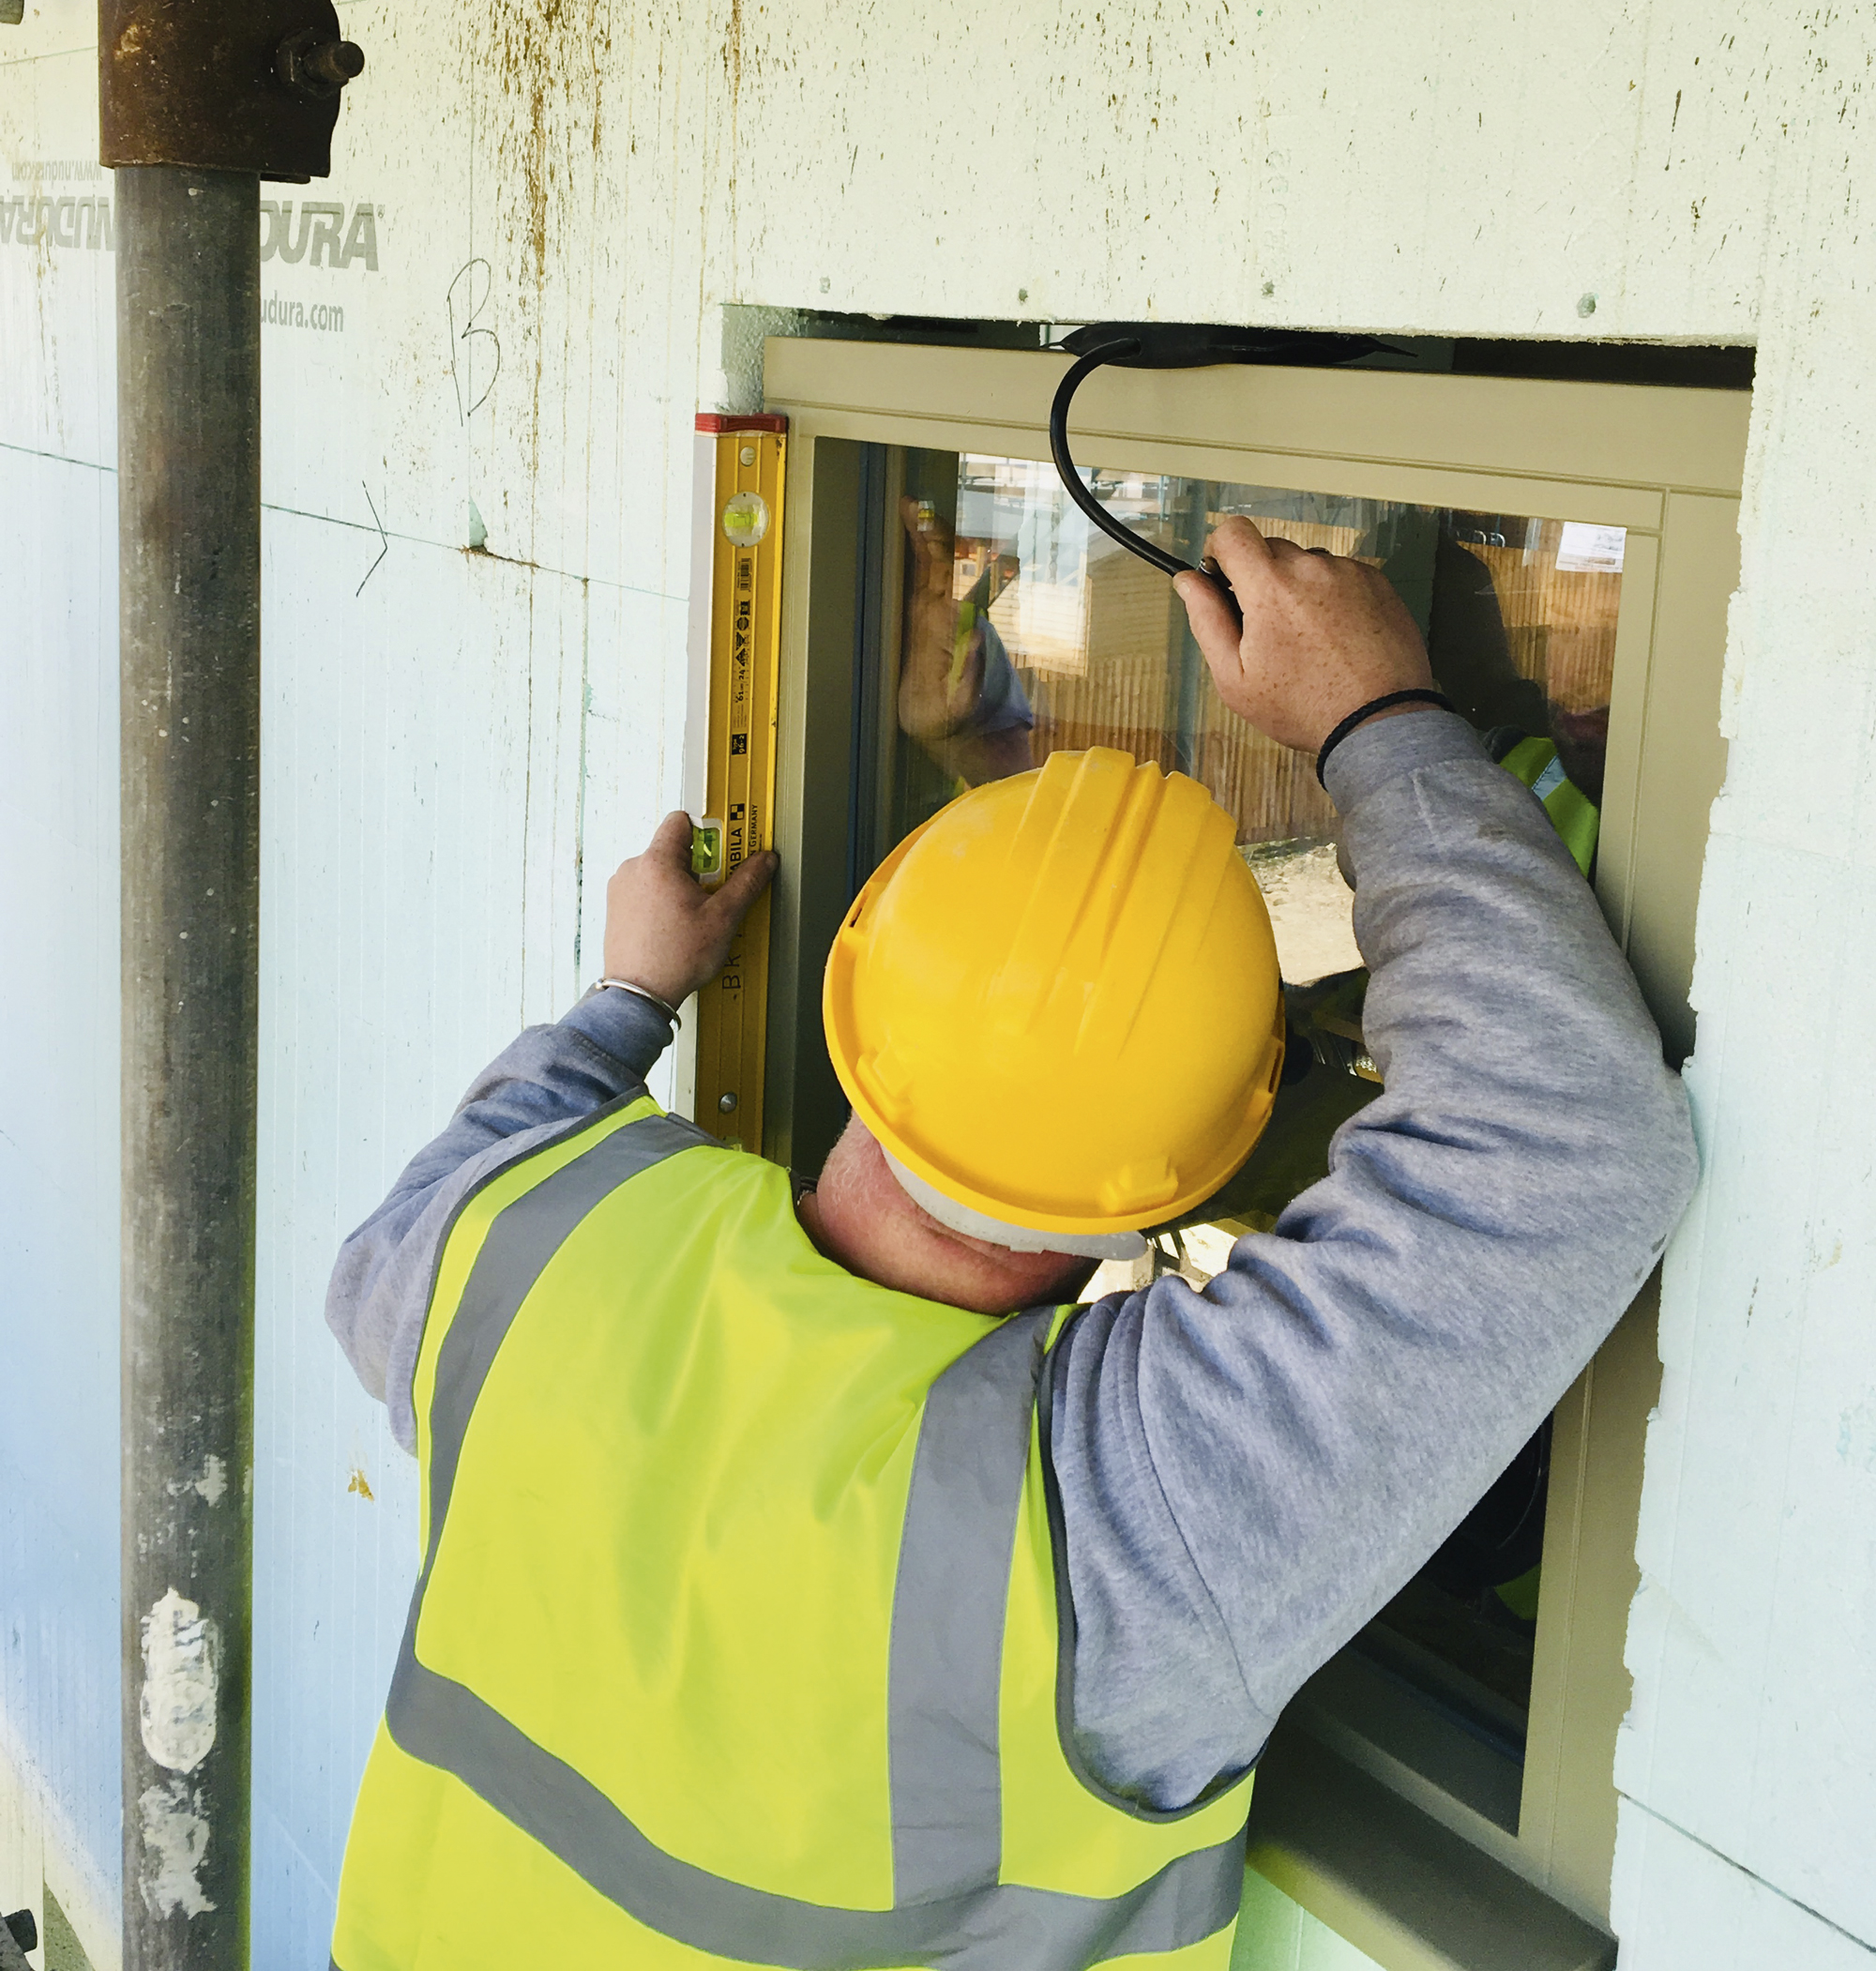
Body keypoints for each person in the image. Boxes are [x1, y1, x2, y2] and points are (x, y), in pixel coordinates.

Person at [325, 518, 1697, 1970]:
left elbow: (421, 1230)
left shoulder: (520, 1238)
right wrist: (1379, 725)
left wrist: (627, 1000)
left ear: (856, 981)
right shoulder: (1131, 1508)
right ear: (1202, 1174)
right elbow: (1567, 1128)